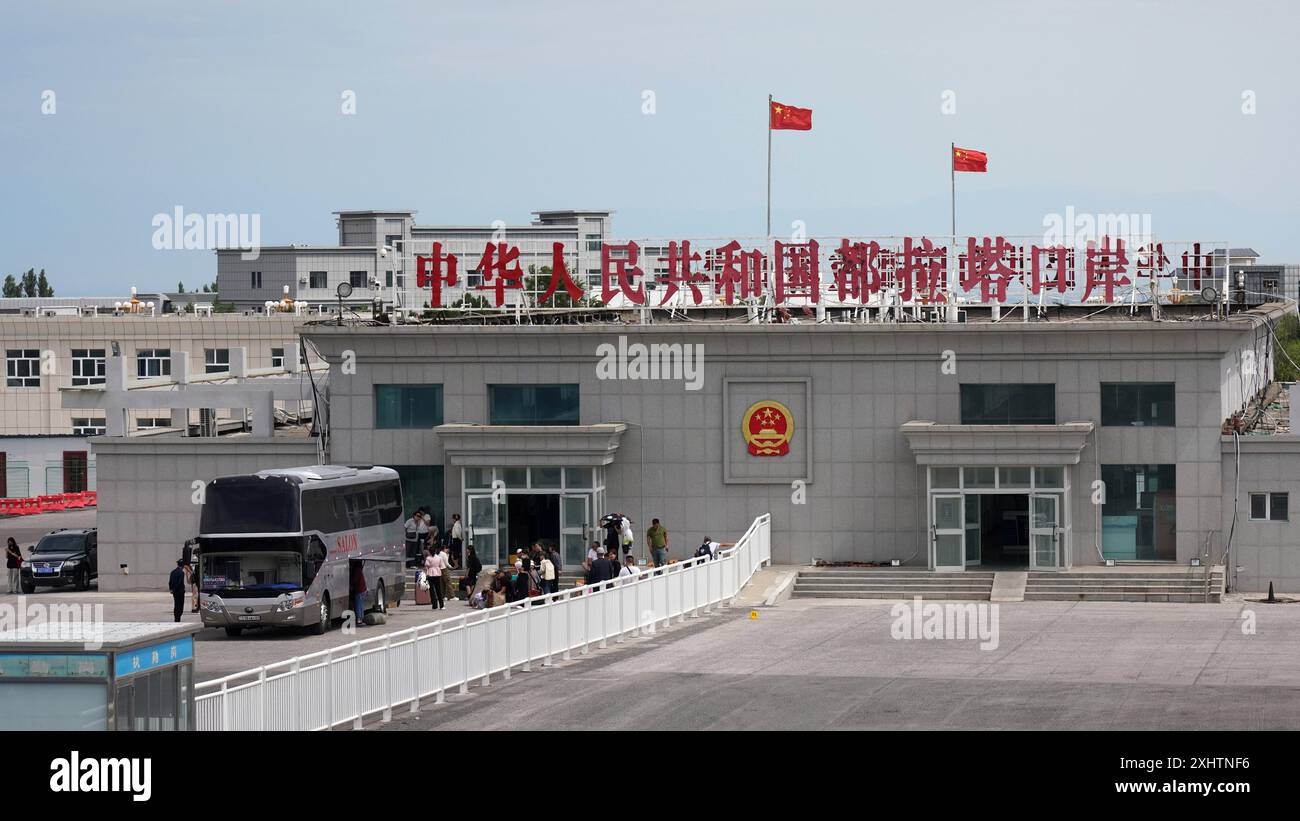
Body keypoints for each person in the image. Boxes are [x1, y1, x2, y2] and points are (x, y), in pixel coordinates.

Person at [350, 561, 368, 626]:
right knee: (361, 605)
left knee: (358, 605)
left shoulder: (356, 570)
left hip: (360, 590)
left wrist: (351, 585)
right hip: (362, 590)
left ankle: (359, 620)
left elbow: (355, 580)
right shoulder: (358, 570)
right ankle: (361, 619)